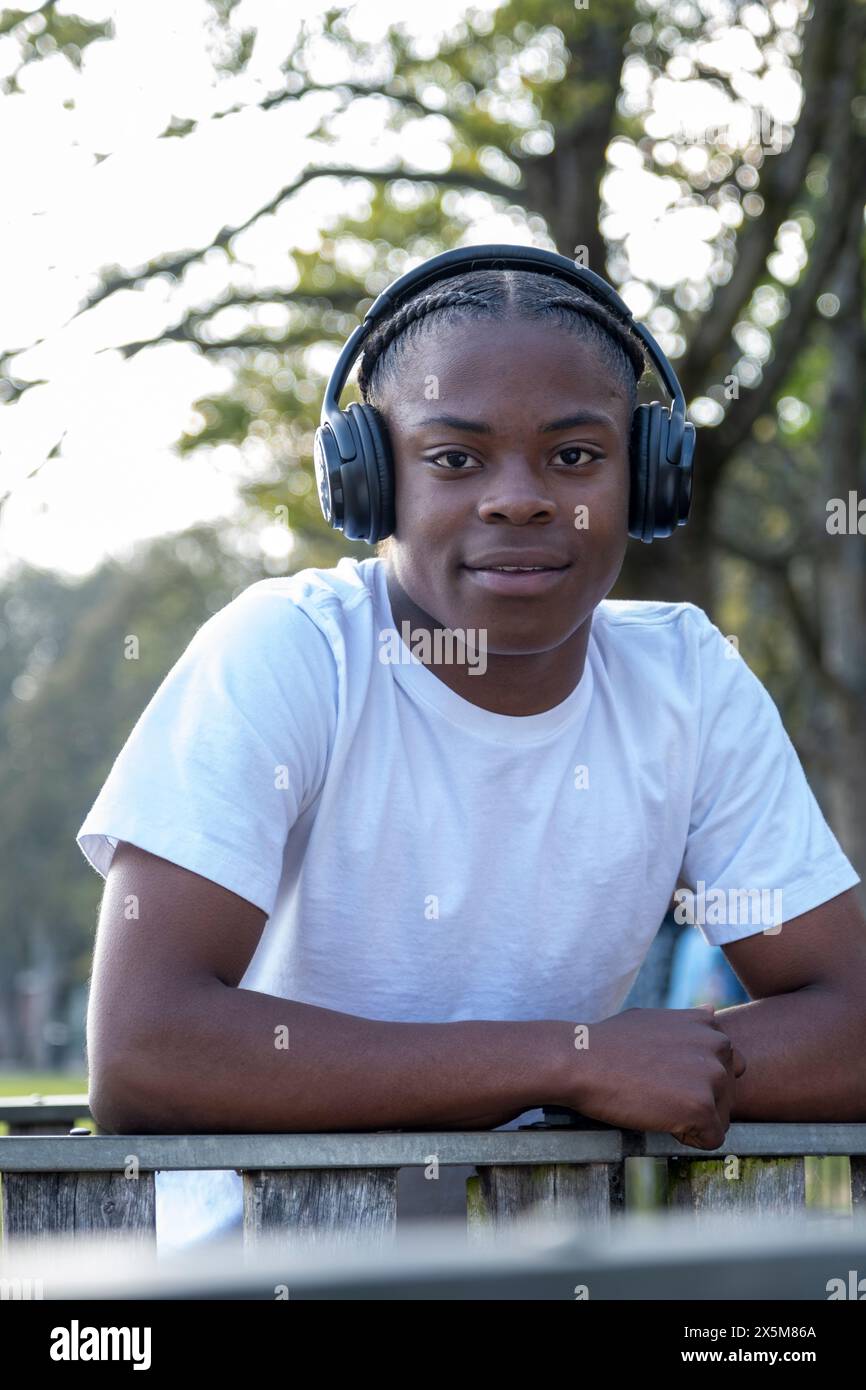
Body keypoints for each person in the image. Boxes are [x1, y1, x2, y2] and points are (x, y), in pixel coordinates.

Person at [78, 248, 865, 1255]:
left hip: (537, 1272)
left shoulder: (688, 680)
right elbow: (145, 1054)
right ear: (368, 482)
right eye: (453, 459)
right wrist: (566, 1060)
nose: (518, 498)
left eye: (575, 457)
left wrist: (627, 1064)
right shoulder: (285, 652)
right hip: (261, 1271)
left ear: (649, 476)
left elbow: (847, 1021)